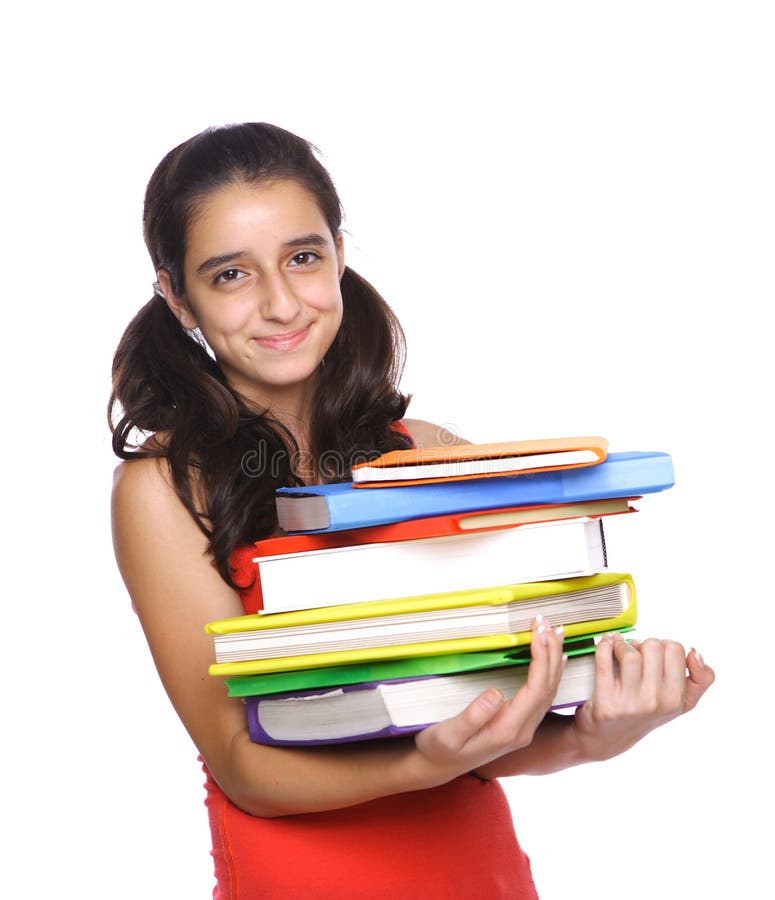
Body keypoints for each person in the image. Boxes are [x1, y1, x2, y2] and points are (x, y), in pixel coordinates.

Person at [109, 122, 714, 899]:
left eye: (303, 257)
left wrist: (594, 734)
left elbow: (481, 728)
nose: (280, 302)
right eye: (231, 274)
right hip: (302, 880)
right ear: (177, 297)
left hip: (478, 871)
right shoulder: (164, 488)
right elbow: (242, 765)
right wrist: (423, 763)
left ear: (337, 253)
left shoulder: (423, 451)